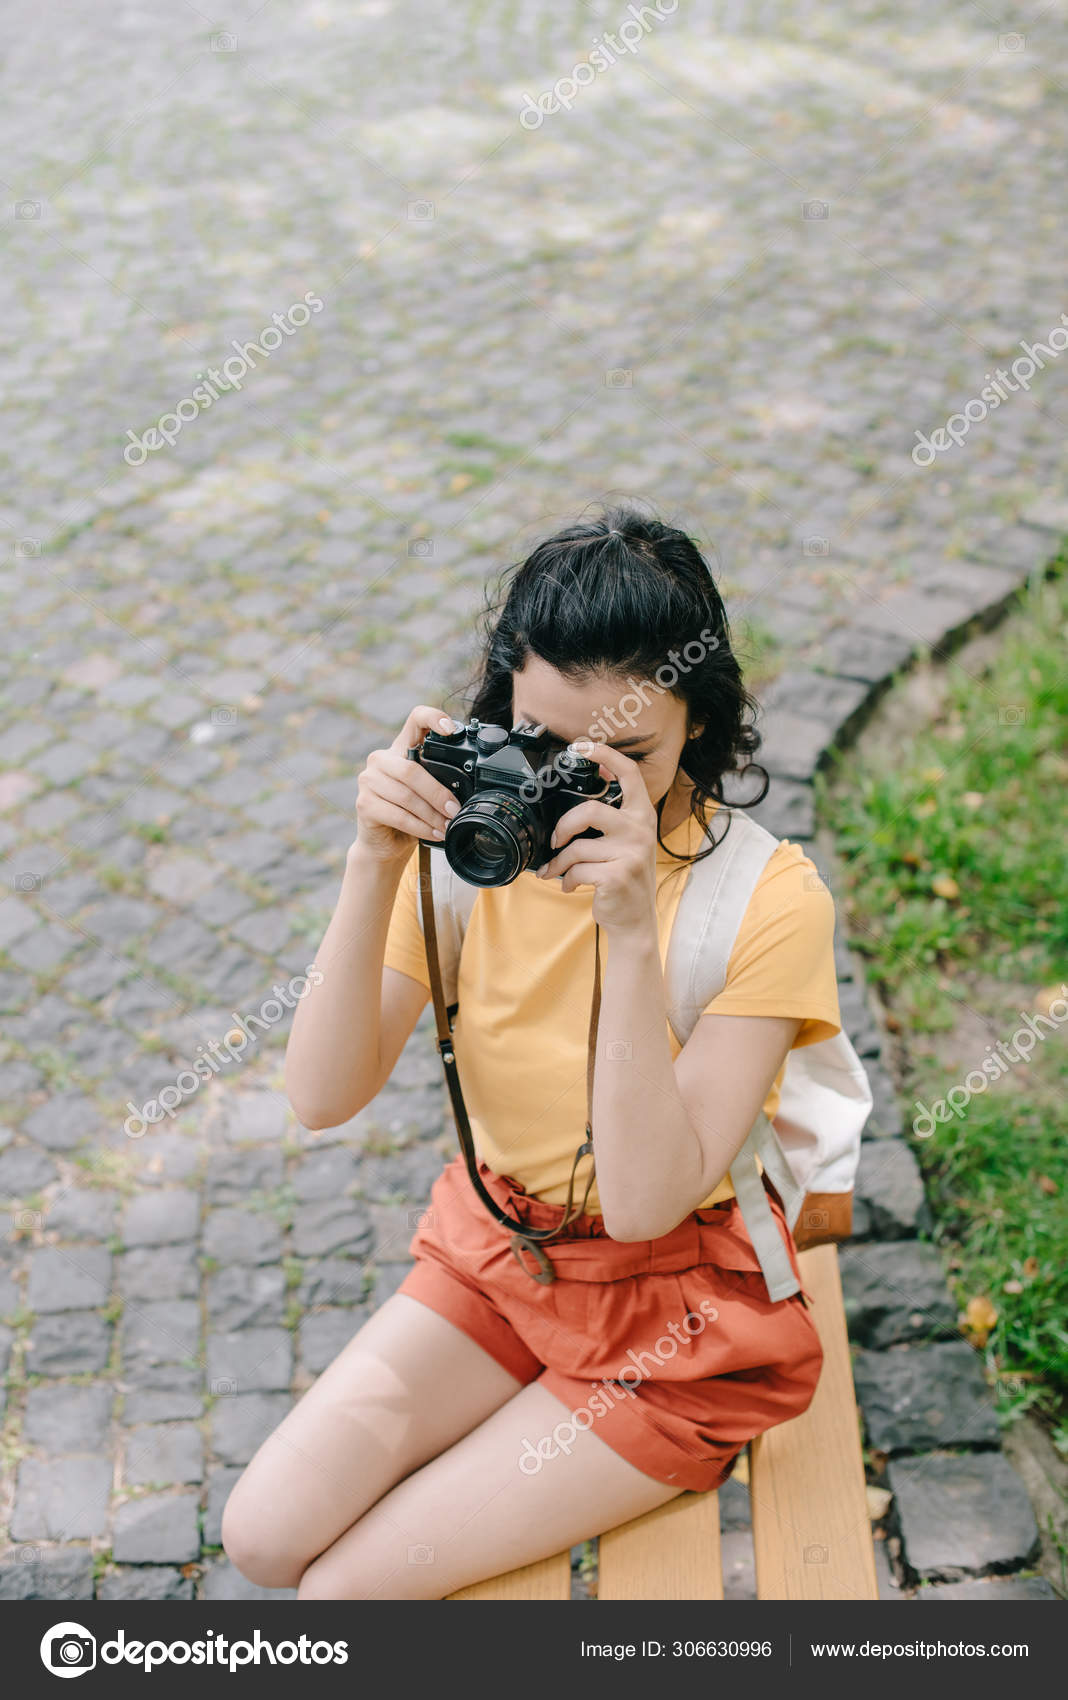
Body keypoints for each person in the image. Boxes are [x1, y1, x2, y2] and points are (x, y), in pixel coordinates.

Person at [222, 504, 837, 1600]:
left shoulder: (767, 900)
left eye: (625, 753)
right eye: (543, 739)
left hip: (675, 1316)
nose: (572, 784)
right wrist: (374, 860)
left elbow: (649, 1197)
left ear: (699, 719)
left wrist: (634, 928)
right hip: (510, 1250)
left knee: (341, 1594)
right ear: (505, 700)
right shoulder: (478, 850)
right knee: (263, 1536)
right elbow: (321, 1094)